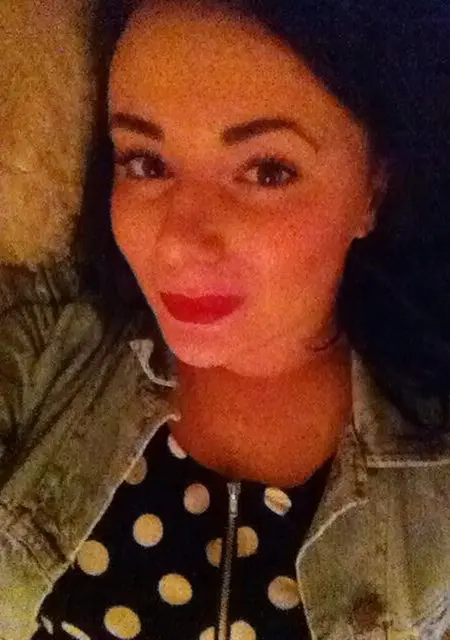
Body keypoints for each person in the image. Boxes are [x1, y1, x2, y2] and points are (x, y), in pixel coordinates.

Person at [1, 0, 450, 638]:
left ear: (373, 190)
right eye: (146, 163)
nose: (178, 244)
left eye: (267, 171)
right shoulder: (46, 342)